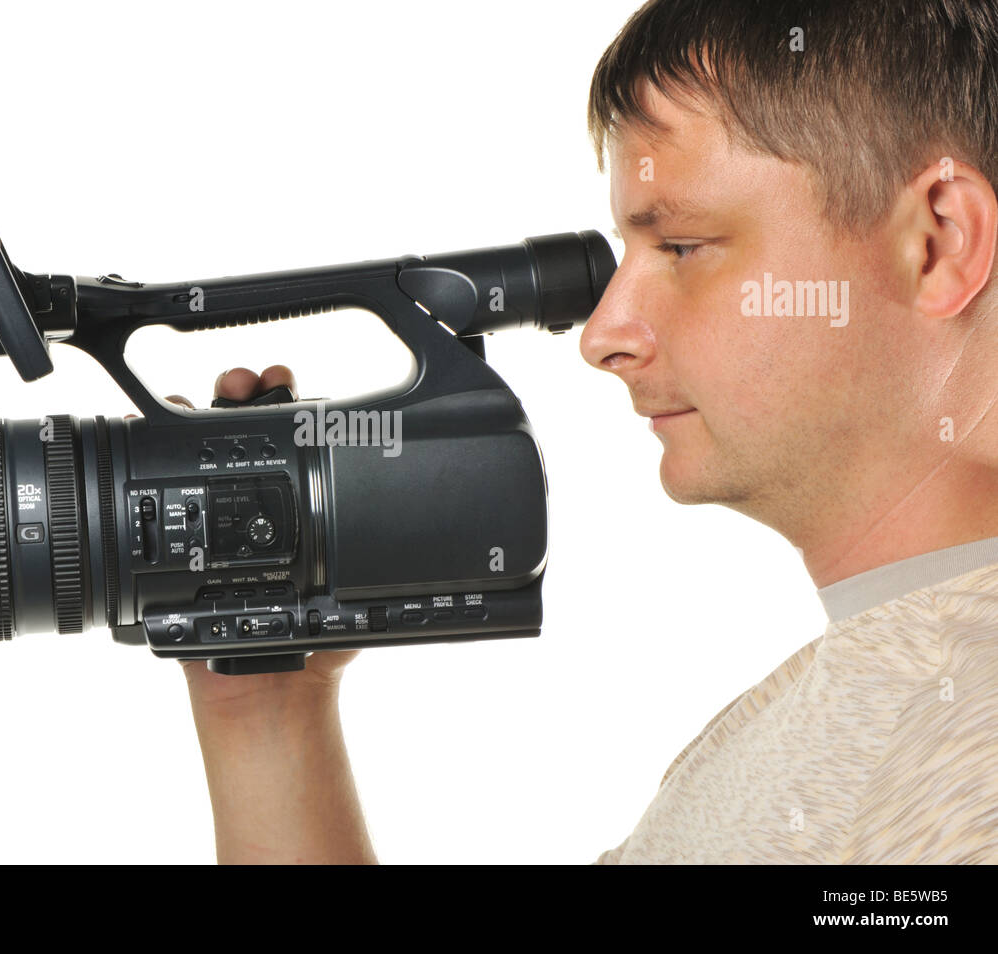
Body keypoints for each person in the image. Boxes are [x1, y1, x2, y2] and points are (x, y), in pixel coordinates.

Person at [183, 0, 998, 863]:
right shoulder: (825, 714)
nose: (602, 333)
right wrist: (269, 715)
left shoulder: (967, 760)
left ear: (938, 243)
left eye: (680, 246)